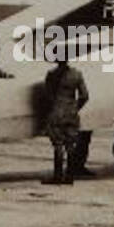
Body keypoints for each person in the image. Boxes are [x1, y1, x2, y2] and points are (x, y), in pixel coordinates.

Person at [42, 56, 89, 185]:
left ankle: (57, 176)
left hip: (57, 112)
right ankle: (69, 177)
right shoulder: (76, 74)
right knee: (70, 145)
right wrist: (75, 107)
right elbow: (85, 96)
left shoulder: (52, 75)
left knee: (58, 144)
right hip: (71, 112)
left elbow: (47, 95)